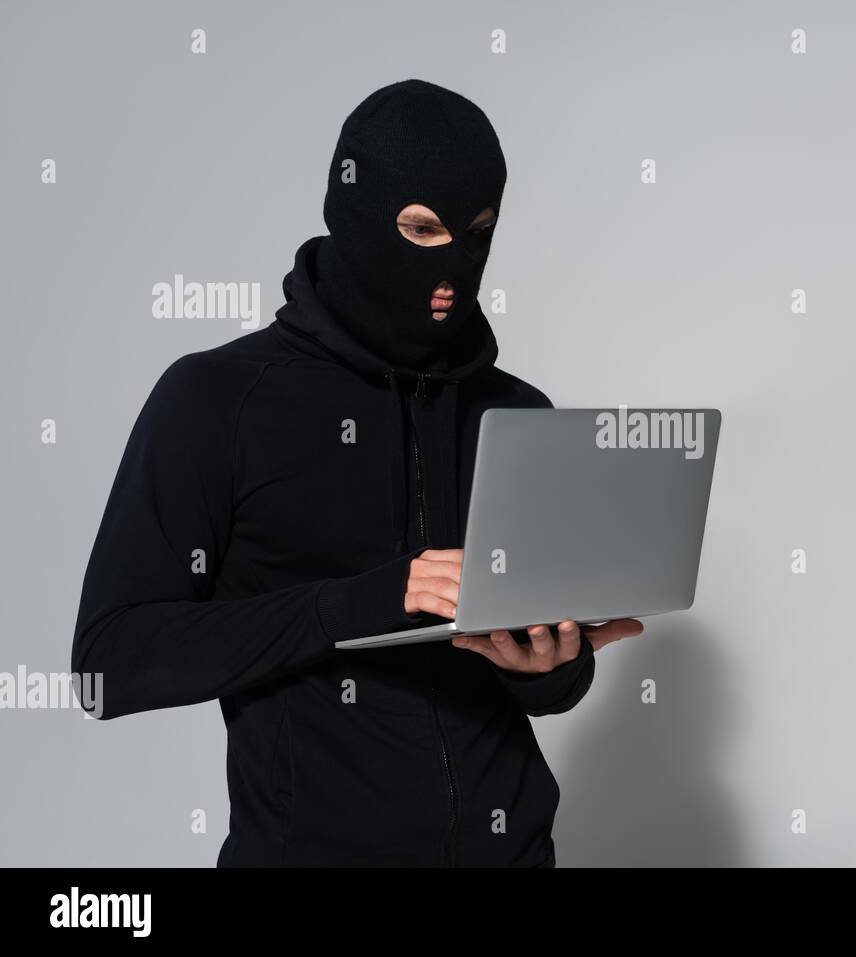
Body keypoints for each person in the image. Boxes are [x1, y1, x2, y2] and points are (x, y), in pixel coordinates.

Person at [71, 79, 643, 867]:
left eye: (478, 233)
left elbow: (541, 687)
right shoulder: (218, 399)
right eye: (421, 228)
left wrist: (550, 665)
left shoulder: (516, 415)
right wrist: (368, 601)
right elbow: (110, 660)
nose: (453, 264)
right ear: (352, 213)